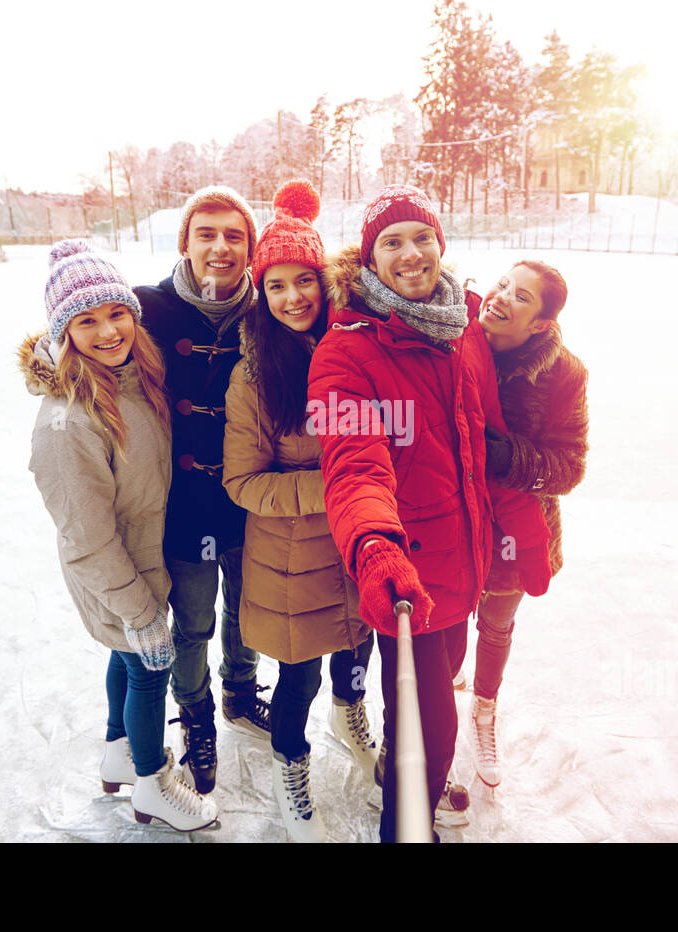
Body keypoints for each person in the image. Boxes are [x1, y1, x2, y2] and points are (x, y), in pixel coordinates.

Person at [308, 184, 552, 842]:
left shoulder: (464, 327)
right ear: (370, 259)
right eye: (392, 242)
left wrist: (525, 535)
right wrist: (377, 550)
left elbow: (483, 443)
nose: (410, 253)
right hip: (407, 579)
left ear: (440, 245)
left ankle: (407, 778)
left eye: (421, 238)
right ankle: (406, 827)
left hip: (464, 563)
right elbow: (354, 464)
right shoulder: (345, 353)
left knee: (434, 690)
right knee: (428, 728)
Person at [20, 240, 217, 831]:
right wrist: (139, 608)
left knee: (128, 662)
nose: (109, 331)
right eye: (87, 321)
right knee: (147, 668)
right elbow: (85, 537)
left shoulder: (129, 377)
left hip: (140, 558)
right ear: (64, 331)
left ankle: (118, 750)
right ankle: (152, 783)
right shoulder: (67, 419)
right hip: (116, 573)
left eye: (117, 313)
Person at [222, 180, 379, 842]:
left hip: (358, 546)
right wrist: (335, 485)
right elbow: (244, 482)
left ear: (324, 280)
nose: (293, 298)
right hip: (292, 562)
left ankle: (352, 719)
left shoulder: (354, 348)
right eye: (276, 285)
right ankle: (292, 768)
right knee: (298, 678)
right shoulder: (255, 374)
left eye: (303, 281)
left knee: (359, 649)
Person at [133, 186, 271, 795]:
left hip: (251, 495)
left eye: (234, 236)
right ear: (185, 242)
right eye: (206, 234)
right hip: (182, 502)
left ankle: (241, 691)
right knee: (192, 621)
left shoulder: (269, 309)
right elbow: (81, 342)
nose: (220, 247)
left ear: (250, 247)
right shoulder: (146, 308)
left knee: (248, 608)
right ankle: (196, 716)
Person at [456, 259, 589, 788]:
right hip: (454, 515)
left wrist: (501, 456)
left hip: (517, 527)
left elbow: (569, 467)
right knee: (445, 617)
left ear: (540, 323)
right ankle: (447, 689)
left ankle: (485, 709)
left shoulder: (563, 373)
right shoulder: (454, 340)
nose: (502, 297)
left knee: (495, 623)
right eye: (502, 284)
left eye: (521, 297)